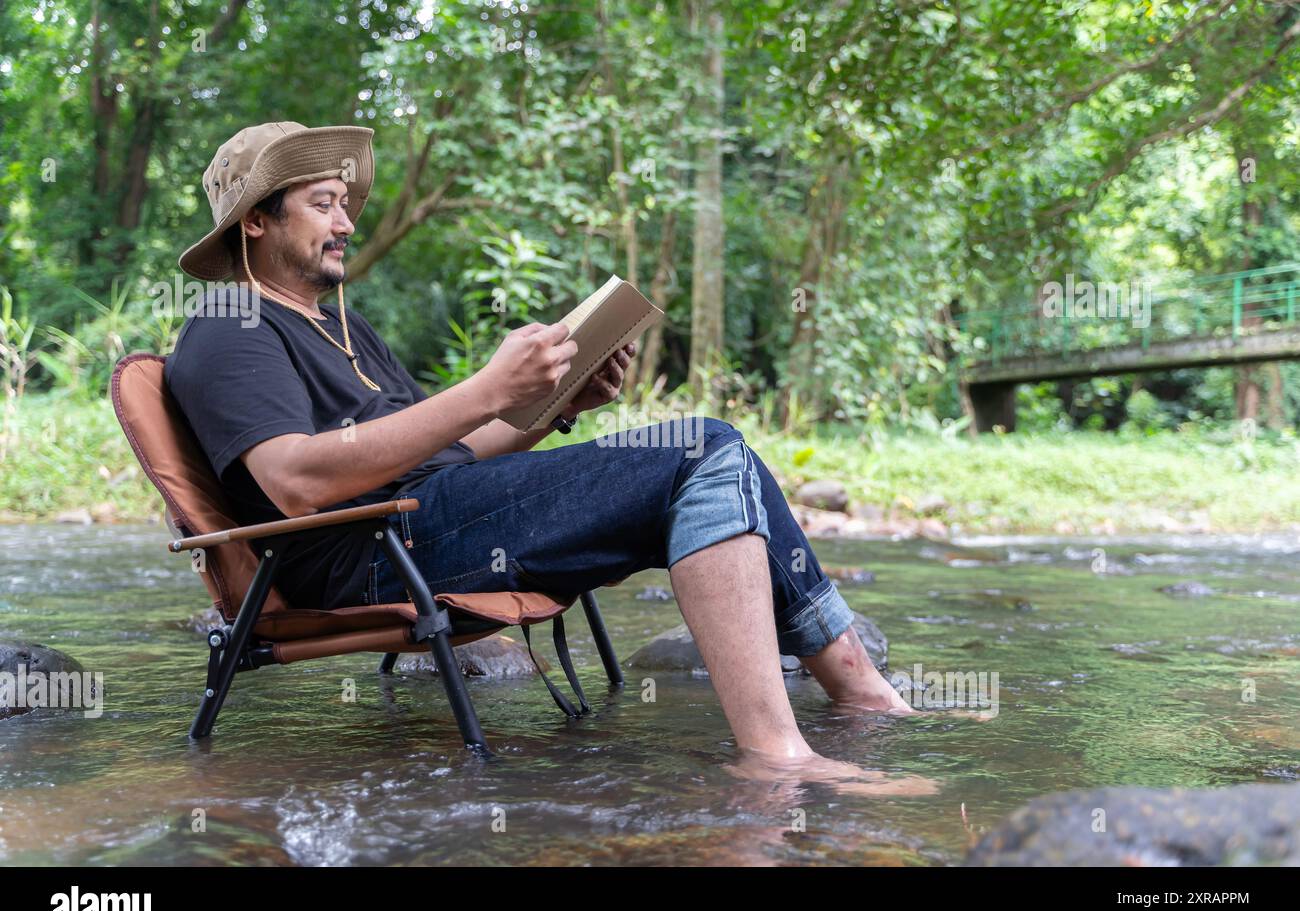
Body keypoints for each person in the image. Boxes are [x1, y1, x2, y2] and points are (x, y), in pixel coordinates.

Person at [167, 121, 921, 786]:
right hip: (370, 549)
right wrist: (488, 387)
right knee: (703, 451)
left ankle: (863, 694)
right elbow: (294, 479)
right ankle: (776, 756)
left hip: (431, 518)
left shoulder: (344, 328)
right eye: (321, 204)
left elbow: (453, 449)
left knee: (718, 449)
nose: (345, 223)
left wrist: (558, 408)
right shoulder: (230, 326)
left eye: (343, 202)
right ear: (255, 222)